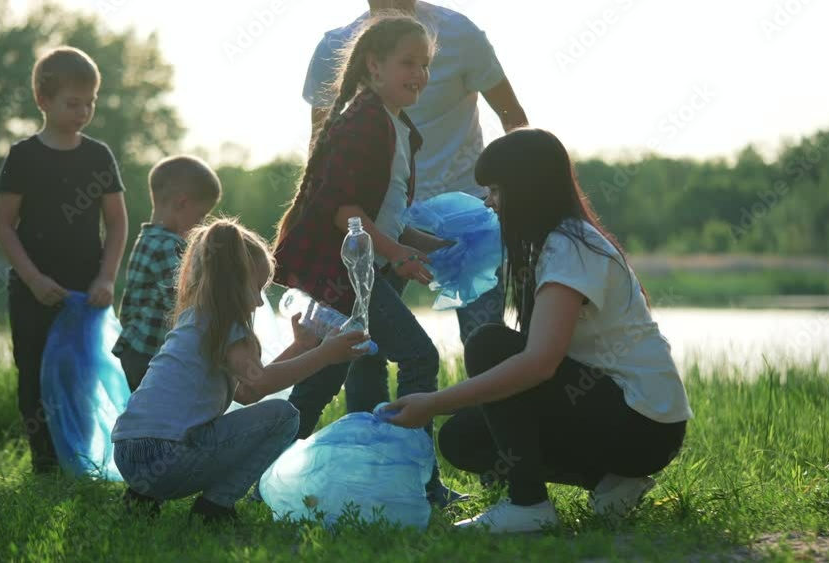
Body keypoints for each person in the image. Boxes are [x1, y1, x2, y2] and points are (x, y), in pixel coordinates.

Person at [385, 129, 693, 533]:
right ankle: (610, 482)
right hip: (616, 413)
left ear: (526, 189)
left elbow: (538, 365)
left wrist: (434, 401)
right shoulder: (554, 244)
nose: (489, 202)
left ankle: (528, 506)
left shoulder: (571, 247)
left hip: (644, 425)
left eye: (496, 190)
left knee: (489, 344)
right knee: (463, 437)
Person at [274, 14, 464, 506]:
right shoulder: (364, 120)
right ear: (374, 65)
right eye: (408, 63)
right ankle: (421, 484)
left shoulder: (396, 124)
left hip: (364, 269)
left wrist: (427, 245)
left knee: (328, 377)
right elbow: (345, 212)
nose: (420, 74)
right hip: (343, 274)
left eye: (425, 65)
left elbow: (387, 214)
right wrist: (397, 251)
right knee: (419, 355)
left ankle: (271, 474)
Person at [112, 219, 368, 523]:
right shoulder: (228, 325)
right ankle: (215, 508)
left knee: (265, 414)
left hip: (129, 455)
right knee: (285, 417)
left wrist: (301, 346)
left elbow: (247, 391)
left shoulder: (196, 318)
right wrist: (325, 354)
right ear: (234, 282)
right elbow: (258, 387)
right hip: (168, 459)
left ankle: (142, 498)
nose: (260, 301)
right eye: (257, 289)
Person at [304, 0, 529, 345]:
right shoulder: (334, 46)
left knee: (484, 338)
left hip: (468, 214)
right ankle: (382, 402)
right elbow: (320, 147)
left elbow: (513, 117)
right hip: (377, 223)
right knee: (365, 348)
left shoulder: (459, 32)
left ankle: (483, 399)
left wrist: (516, 194)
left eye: (421, 64)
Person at [0, 46, 128, 474]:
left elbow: (118, 224)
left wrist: (106, 278)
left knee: (83, 373)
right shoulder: (23, 157)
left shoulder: (99, 156)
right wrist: (32, 278)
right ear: (43, 100)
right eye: (74, 103)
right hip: (34, 291)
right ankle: (45, 464)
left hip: (87, 290)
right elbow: (3, 225)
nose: (84, 111)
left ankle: (81, 459)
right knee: (32, 374)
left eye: (91, 102)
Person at [112, 155, 222, 391]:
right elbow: (183, 300)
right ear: (181, 204)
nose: (201, 224)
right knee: (155, 419)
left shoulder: (147, 238)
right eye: (201, 216)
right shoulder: (170, 247)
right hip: (150, 356)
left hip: (135, 349)